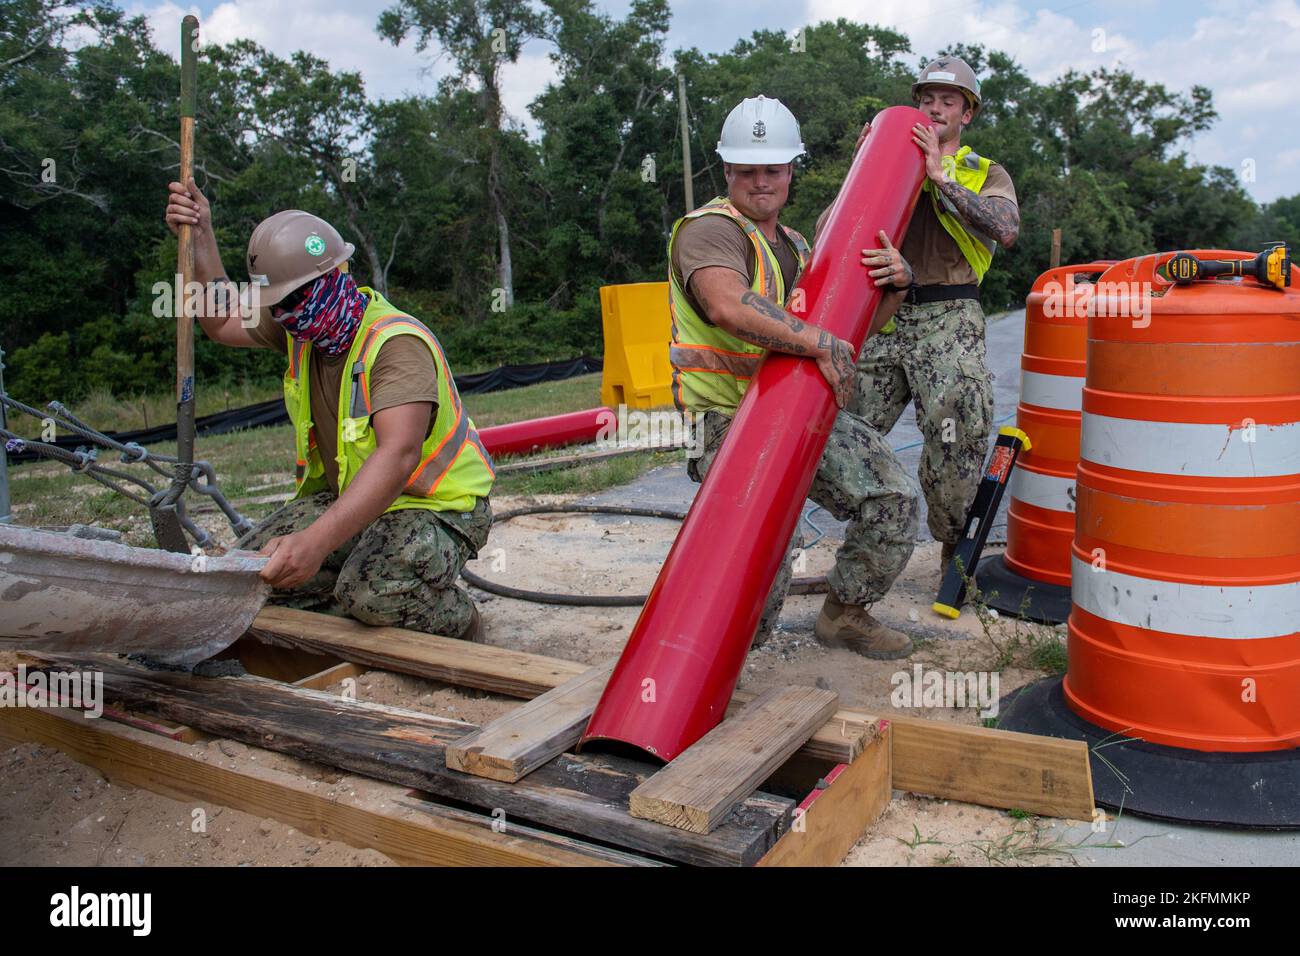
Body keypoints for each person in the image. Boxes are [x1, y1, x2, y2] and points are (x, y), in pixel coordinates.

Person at [164, 179, 494, 641]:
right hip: (354, 499)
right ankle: (350, 587)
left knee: (373, 594)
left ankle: (460, 618)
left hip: (436, 507)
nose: (287, 314)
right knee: (250, 572)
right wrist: (202, 235)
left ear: (338, 274)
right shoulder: (298, 326)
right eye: (278, 304)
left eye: (296, 299)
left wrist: (315, 544)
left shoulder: (395, 345)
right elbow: (220, 320)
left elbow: (398, 456)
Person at [669, 95, 920, 659]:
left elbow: (849, 334)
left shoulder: (798, 246)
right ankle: (721, 663)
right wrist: (814, 340)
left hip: (798, 405)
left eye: (774, 169)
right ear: (728, 170)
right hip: (726, 422)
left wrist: (896, 286)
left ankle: (844, 615)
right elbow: (727, 306)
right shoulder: (708, 232)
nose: (762, 182)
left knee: (894, 498)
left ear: (790, 171)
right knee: (759, 553)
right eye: (748, 170)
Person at [844, 56, 1019, 574]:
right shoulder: (888, 162)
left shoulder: (983, 171)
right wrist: (862, 171)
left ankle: (952, 548)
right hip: (887, 315)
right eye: (927, 98)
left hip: (951, 314)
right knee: (845, 429)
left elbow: (1005, 230)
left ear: (967, 113)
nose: (934, 108)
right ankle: (868, 545)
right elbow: (834, 230)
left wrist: (940, 177)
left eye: (948, 100)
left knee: (957, 432)